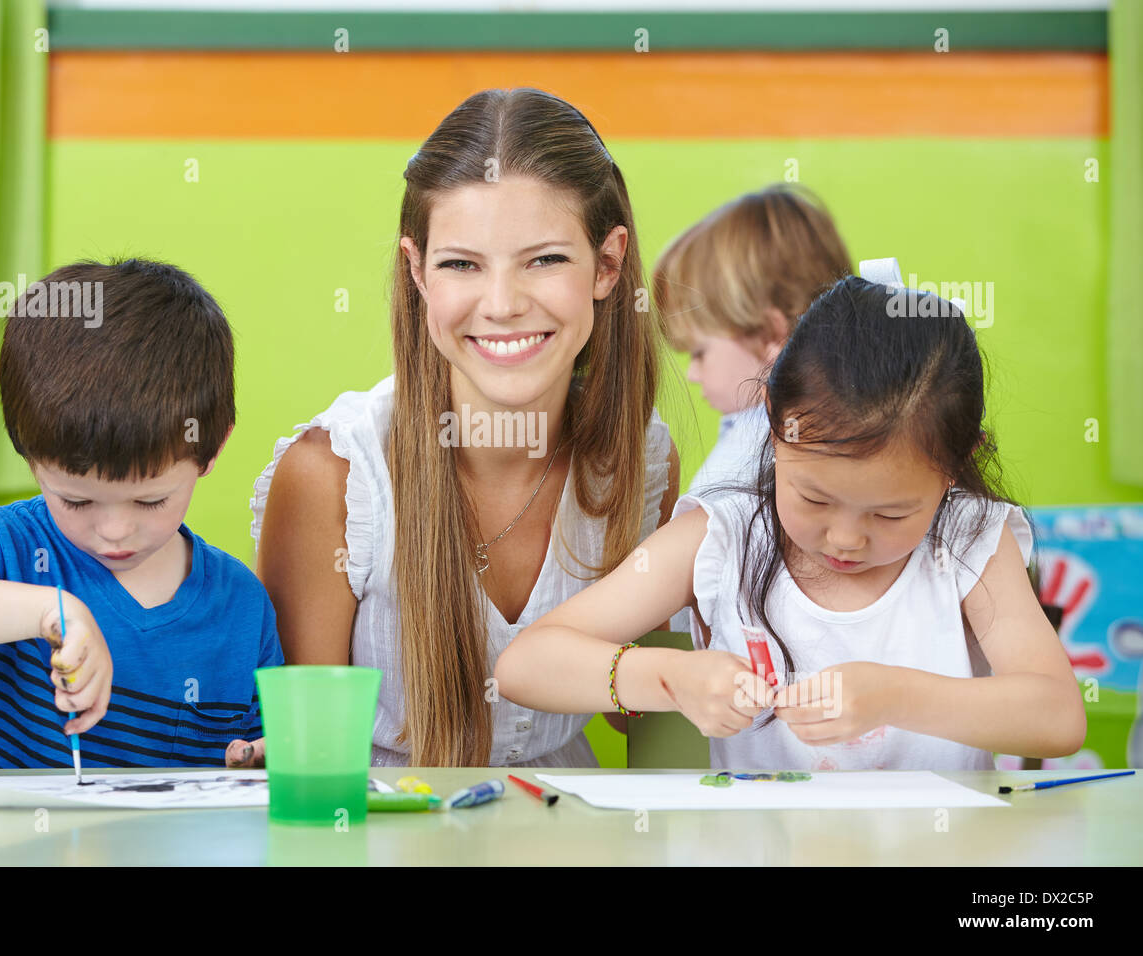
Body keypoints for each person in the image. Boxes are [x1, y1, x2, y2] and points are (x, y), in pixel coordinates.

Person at [231, 88, 679, 769]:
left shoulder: (642, 462)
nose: (501, 305)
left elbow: (647, 723)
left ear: (608, 265)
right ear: (417, 271)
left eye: (545, 260)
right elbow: (306, 766)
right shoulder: (333, 479)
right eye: (461, 264)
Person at [495, 276, 1086, 770]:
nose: (847, 538)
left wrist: (894, 696)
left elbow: (1058, 717)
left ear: (958, 466)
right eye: (815, 498)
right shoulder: (723, 538)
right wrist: (672, 677)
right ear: (774, 423)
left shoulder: (967, 543)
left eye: (889, 513)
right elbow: (526, 664)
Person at [0, 259, 280, 769]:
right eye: (76, 501)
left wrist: (264, 760)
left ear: (211, 451)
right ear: (31, 460)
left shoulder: (241, 607)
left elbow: (265, 749)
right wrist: (53, 611)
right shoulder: (7, 550)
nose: (113, 530)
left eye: (150, 500)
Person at [653, 183, 851, 494]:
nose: (692, 374)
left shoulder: (757, 452)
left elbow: (705, 534)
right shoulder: (854, 422)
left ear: (770, 334)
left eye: (700, 353)